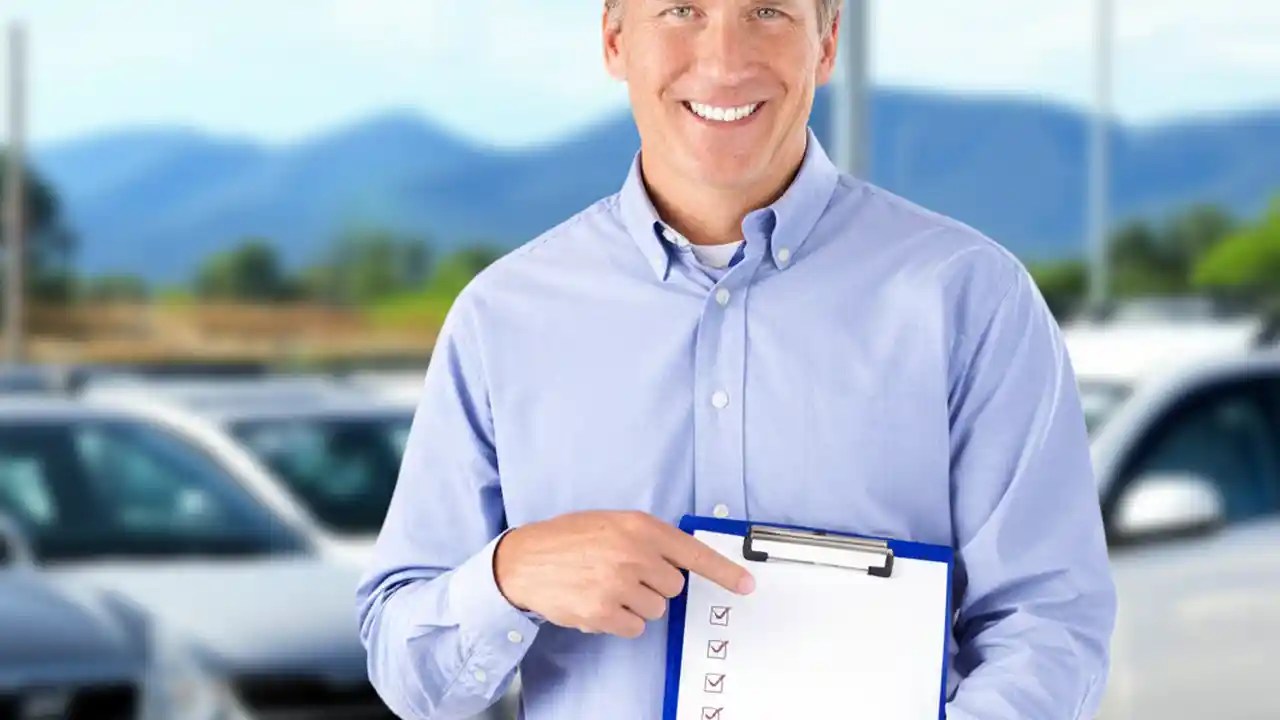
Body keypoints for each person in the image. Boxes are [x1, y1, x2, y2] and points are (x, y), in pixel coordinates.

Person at [356, 0, 1116, 718]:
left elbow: (1047, 624)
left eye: (766, 12)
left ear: (825, 43)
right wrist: (509, 577)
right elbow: (406, 670)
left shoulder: (969, 298)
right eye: (682, 10)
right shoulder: (503, 318)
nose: (723, 61)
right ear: (616, 40)